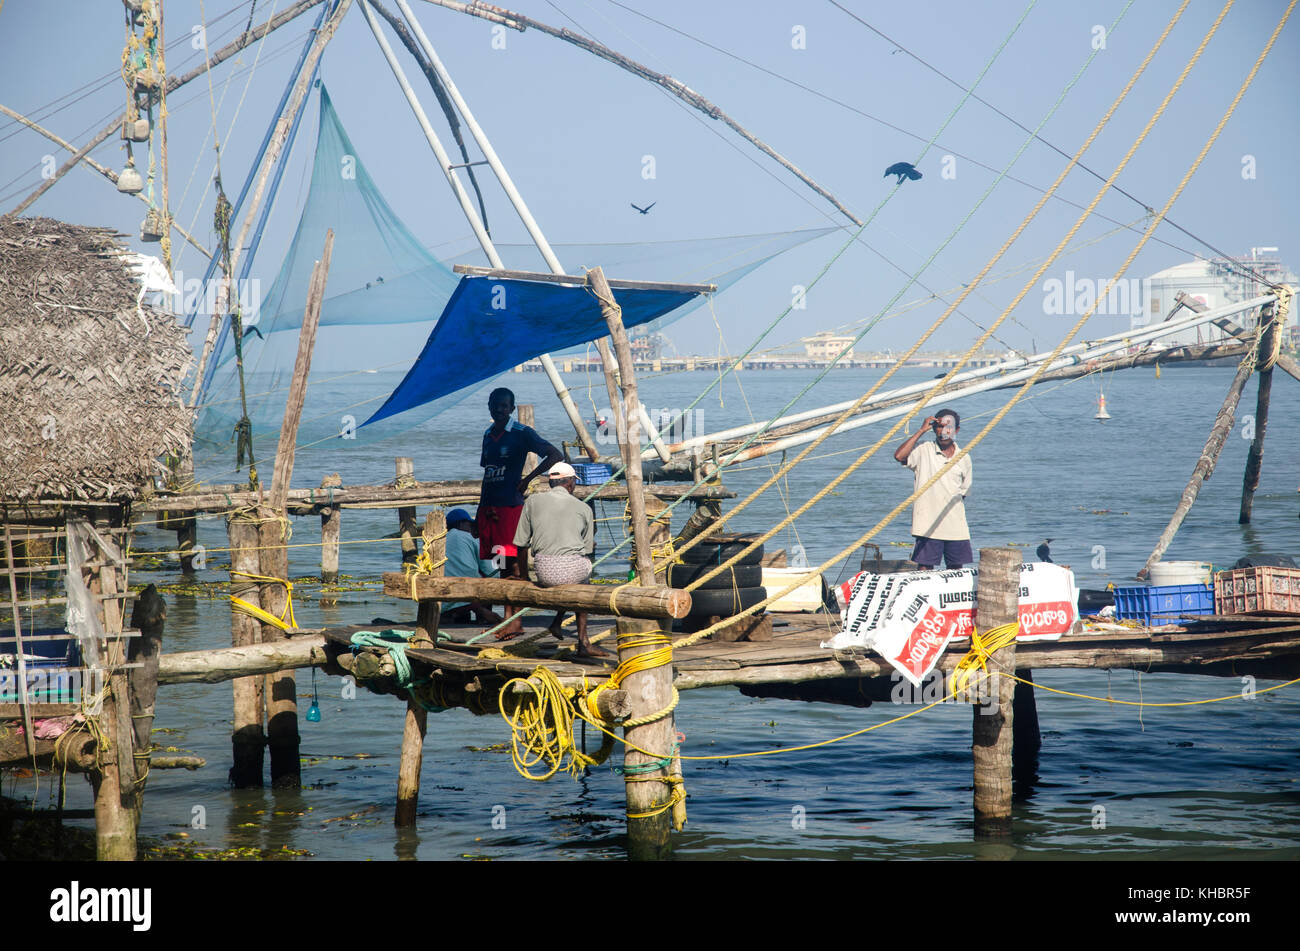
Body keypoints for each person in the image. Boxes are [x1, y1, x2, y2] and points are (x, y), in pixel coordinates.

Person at [478, 387, 563, 638]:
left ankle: (513, 620)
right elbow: (487, 474)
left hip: (510, 507)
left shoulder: (521, 432)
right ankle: (510, 620)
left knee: (514, 565)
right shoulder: (487, 434)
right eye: (495, 405)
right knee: (500, 565)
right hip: (490, 508)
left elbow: (555, 454)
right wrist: (478, 512)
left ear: (511, 409)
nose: (499, 410)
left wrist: (528, 479)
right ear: (490, 407)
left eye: (504, 406)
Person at [513, 461, 605, 658]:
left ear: (551, 483)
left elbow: (521, 544)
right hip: (572, 570)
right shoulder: (584, 508)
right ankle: (583, 642)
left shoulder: (531, 502)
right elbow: (587, 549)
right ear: (570, 483)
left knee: (571, 578)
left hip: (543, 569)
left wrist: (524, 577)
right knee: (583, 582)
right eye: (574, 483)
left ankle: (557, 623)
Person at [892, 407, 973, 570]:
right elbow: (900, 456)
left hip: (955, 524)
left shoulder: (964, 457)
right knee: (924, 569)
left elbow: (963, 492)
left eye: (948, 427)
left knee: (956, 569)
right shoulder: (923, 449)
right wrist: (921, 430)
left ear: (956, 430)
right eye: (940, 426)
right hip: (928, 524)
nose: (944, 431)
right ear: (934, 429)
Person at [442, 508, 502, 625]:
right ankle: (482, 617)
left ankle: (460, 615)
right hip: (469, 598)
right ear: (462, 524)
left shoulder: (437, 541)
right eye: (470, 525)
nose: (472, 529)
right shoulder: (471, 538)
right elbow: (491, 572)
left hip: (443, 601)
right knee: (488, 577)